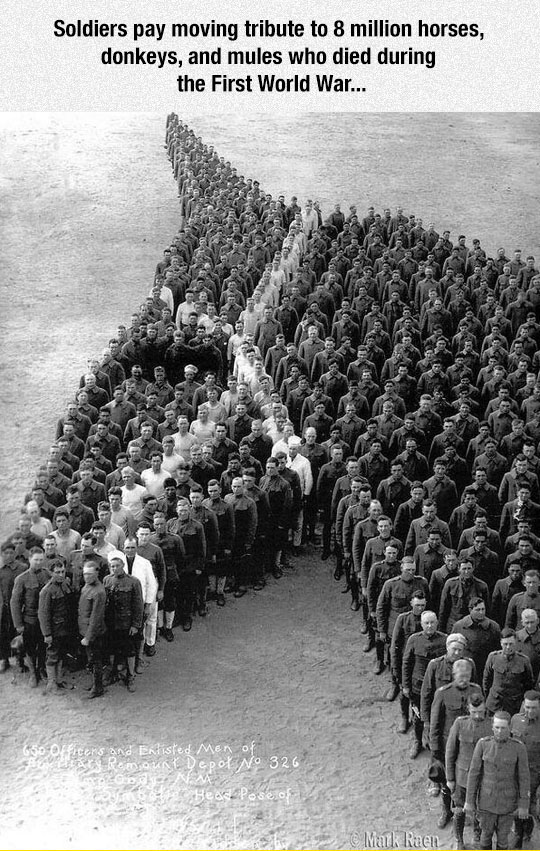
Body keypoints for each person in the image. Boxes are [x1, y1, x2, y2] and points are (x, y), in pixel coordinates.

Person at [465, 711, 530, 851]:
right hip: (486, 802)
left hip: (508, 803)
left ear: (510, 728)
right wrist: (469, 801)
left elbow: (524, 777)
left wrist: (524, 804)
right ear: (492, 727)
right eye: (497, 727)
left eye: (504, 728)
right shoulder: (483, 745)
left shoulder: (519, 747)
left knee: (503, 838)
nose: (500, 731)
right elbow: (473, 774)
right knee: (486, 835)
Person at [445, 693, 492, 850]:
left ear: (485, 708)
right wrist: (450, 778)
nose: (478, 716)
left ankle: (477, 835)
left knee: (481, 808)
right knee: (459, 810)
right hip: (462, 776)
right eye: (474, 712)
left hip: (483, 778)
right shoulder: (460, 724)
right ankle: (459, 839)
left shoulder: (492, 725)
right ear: (468, 710)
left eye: (481, 711)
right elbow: (450, 752)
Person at [401, 610, 447, 759]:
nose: (429, 626)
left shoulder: (444, 639)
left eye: (432, 622)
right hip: (418, 686)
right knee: (418, 716)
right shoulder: (414, 640)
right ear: (421, 624)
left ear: (437, 623)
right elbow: (407, 663)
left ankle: (435, 743)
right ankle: (418, 741)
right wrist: (406, 686)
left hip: (438, 686)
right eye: (426, 623)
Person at [103, 551, 144, 692]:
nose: (114, 569)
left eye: (117, 566)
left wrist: (135, 625)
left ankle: (130, 676)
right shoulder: (107, 580)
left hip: (126, 624)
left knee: (129, 651)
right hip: (111, 623)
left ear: (123, 565)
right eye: (112, 566)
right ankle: (113, 673)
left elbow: (138, 605)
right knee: (112, 649)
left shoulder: (134, 582)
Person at [10, 547, 50, 687]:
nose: (38, 562)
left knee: (44, 647)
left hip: (45, 620)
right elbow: (15, 603)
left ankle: (42, 669)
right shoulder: (21, 579)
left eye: (41, 560)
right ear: (29, 559)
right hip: (30, 620)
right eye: (36, 560)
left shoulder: (47, 575)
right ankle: (33, 673)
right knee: (30, 648)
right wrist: (18, 624)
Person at [37, 560, 75, 694]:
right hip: (54, 631)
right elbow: (43, 615)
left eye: (63, 571)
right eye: (57, 572)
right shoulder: (46, 591)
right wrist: (47, 634)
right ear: (51, 573)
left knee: (62, 654)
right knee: (52, 656)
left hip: (65, 629)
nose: (61, 574)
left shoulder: (65, 585)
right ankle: (52, 684)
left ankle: (59, 680)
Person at [510, 690, 540, 847]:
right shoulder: (515, 720)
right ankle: (518, 831)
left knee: (530, 806)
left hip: (535, 775)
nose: (530, 711)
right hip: (516, 773)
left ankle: (527, 830)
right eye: (527, 707)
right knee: (516, 803)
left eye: (534, 708)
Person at [482, 628, 533, 716]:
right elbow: (486, 680)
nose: (508, 647)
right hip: (494, 704)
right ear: (501, 643)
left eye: (511, 644)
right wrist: (489, 697)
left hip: (514, 706)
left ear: (516, 643)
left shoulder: (524, 661)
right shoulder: (493, 657)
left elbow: (529, 684)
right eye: (505, 644)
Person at [78, 561, 107, 699]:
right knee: (91, 660)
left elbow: (96, 617)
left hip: (94, 634)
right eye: (85, 574)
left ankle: (98, 688)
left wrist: (88, 637)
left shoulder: (99, 591)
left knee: (96, 661)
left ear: (97, 573)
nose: (87, 576)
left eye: (90, 574)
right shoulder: (87, 586)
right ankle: (96, 684)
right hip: (85, 630)